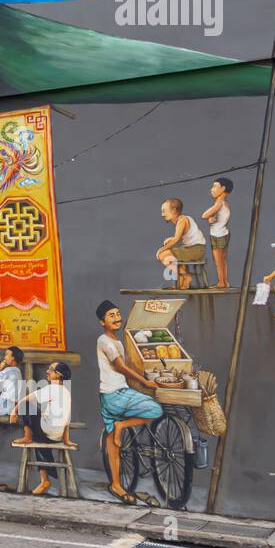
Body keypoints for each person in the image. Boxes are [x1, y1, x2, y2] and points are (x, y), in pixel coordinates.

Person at [95, 300, 163, 505]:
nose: (117, 318)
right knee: (155, 409)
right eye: (111, 315)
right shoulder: (104, 341)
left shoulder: (116, 340)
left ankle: (116, 485)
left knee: (112, 442)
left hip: (109, 395)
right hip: (116, 395)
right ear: (102, 322)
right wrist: (144, 381)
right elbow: (120, 367)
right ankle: (122, 425)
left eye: (117, 313)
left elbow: (126, 365)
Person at [13, 362, 73, 495]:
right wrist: (66, 439)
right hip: (57, 435)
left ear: (58, 375)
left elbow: (28, 399)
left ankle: (27, 437)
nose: (47, 372)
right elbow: (67, 419)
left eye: (50, 370)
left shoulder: (53, 388)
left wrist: (14, 410)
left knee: (25, 405)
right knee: (39, 432)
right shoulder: (66, 392)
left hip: (47, 431)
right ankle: (45, 479)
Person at [155, 197, 207, 290]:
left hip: (196, 249)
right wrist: (170, 239)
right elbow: (182, 236)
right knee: (174, 255)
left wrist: (161, 249)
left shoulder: (182, 220)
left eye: (164, 211)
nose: (162, 214)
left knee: (163, 255)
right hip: (193, 248)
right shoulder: (182, 219)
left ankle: (186, 276)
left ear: (174, 210)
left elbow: (177, 239)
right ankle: (183, 283)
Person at [201, 178, 233, 289]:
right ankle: (225, 282)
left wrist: (209, 217)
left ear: (223, 189)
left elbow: (204, 215)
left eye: (215, 186)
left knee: (218, 260)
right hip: (224, 233)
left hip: (217, 234)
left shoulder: (219, 203)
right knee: (223, 260)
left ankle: (221, 283)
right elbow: (219, 217)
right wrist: (211, 219)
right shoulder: (226, 204)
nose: (212, 189)